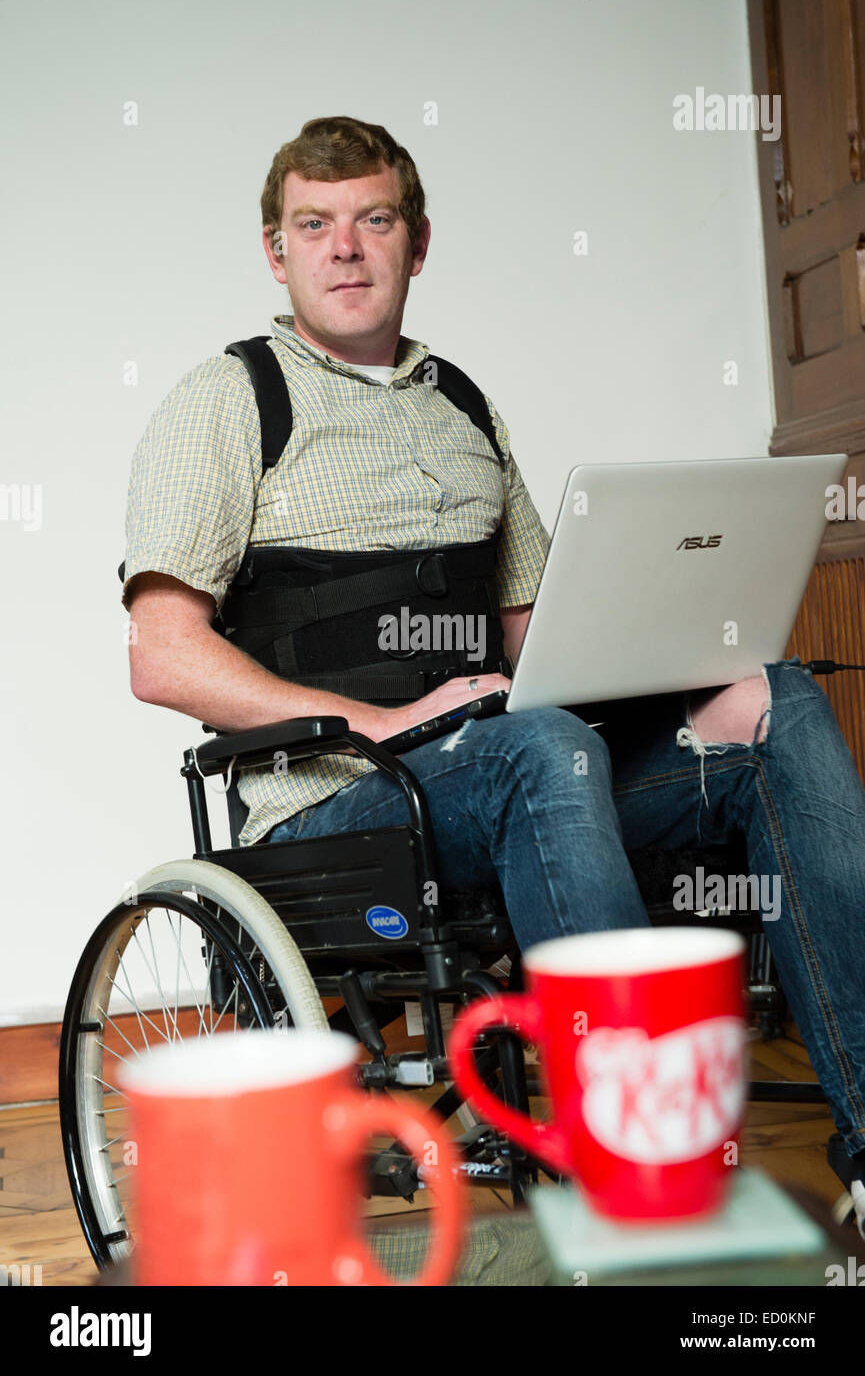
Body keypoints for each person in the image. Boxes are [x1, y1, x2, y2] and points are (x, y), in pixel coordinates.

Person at [123, 115, 865, 1224]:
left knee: (773, 704)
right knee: (542, 748)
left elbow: (537, 636)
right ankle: (636, 1175)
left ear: (416, 244)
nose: (345, 248)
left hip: (509, 768)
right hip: (339, 810)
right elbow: (160, 653)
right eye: (313, 226)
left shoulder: (464, 408)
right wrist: (378, 722)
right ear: (274, 253)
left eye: (373, 220)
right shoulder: (228, 403)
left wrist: (683, 673)